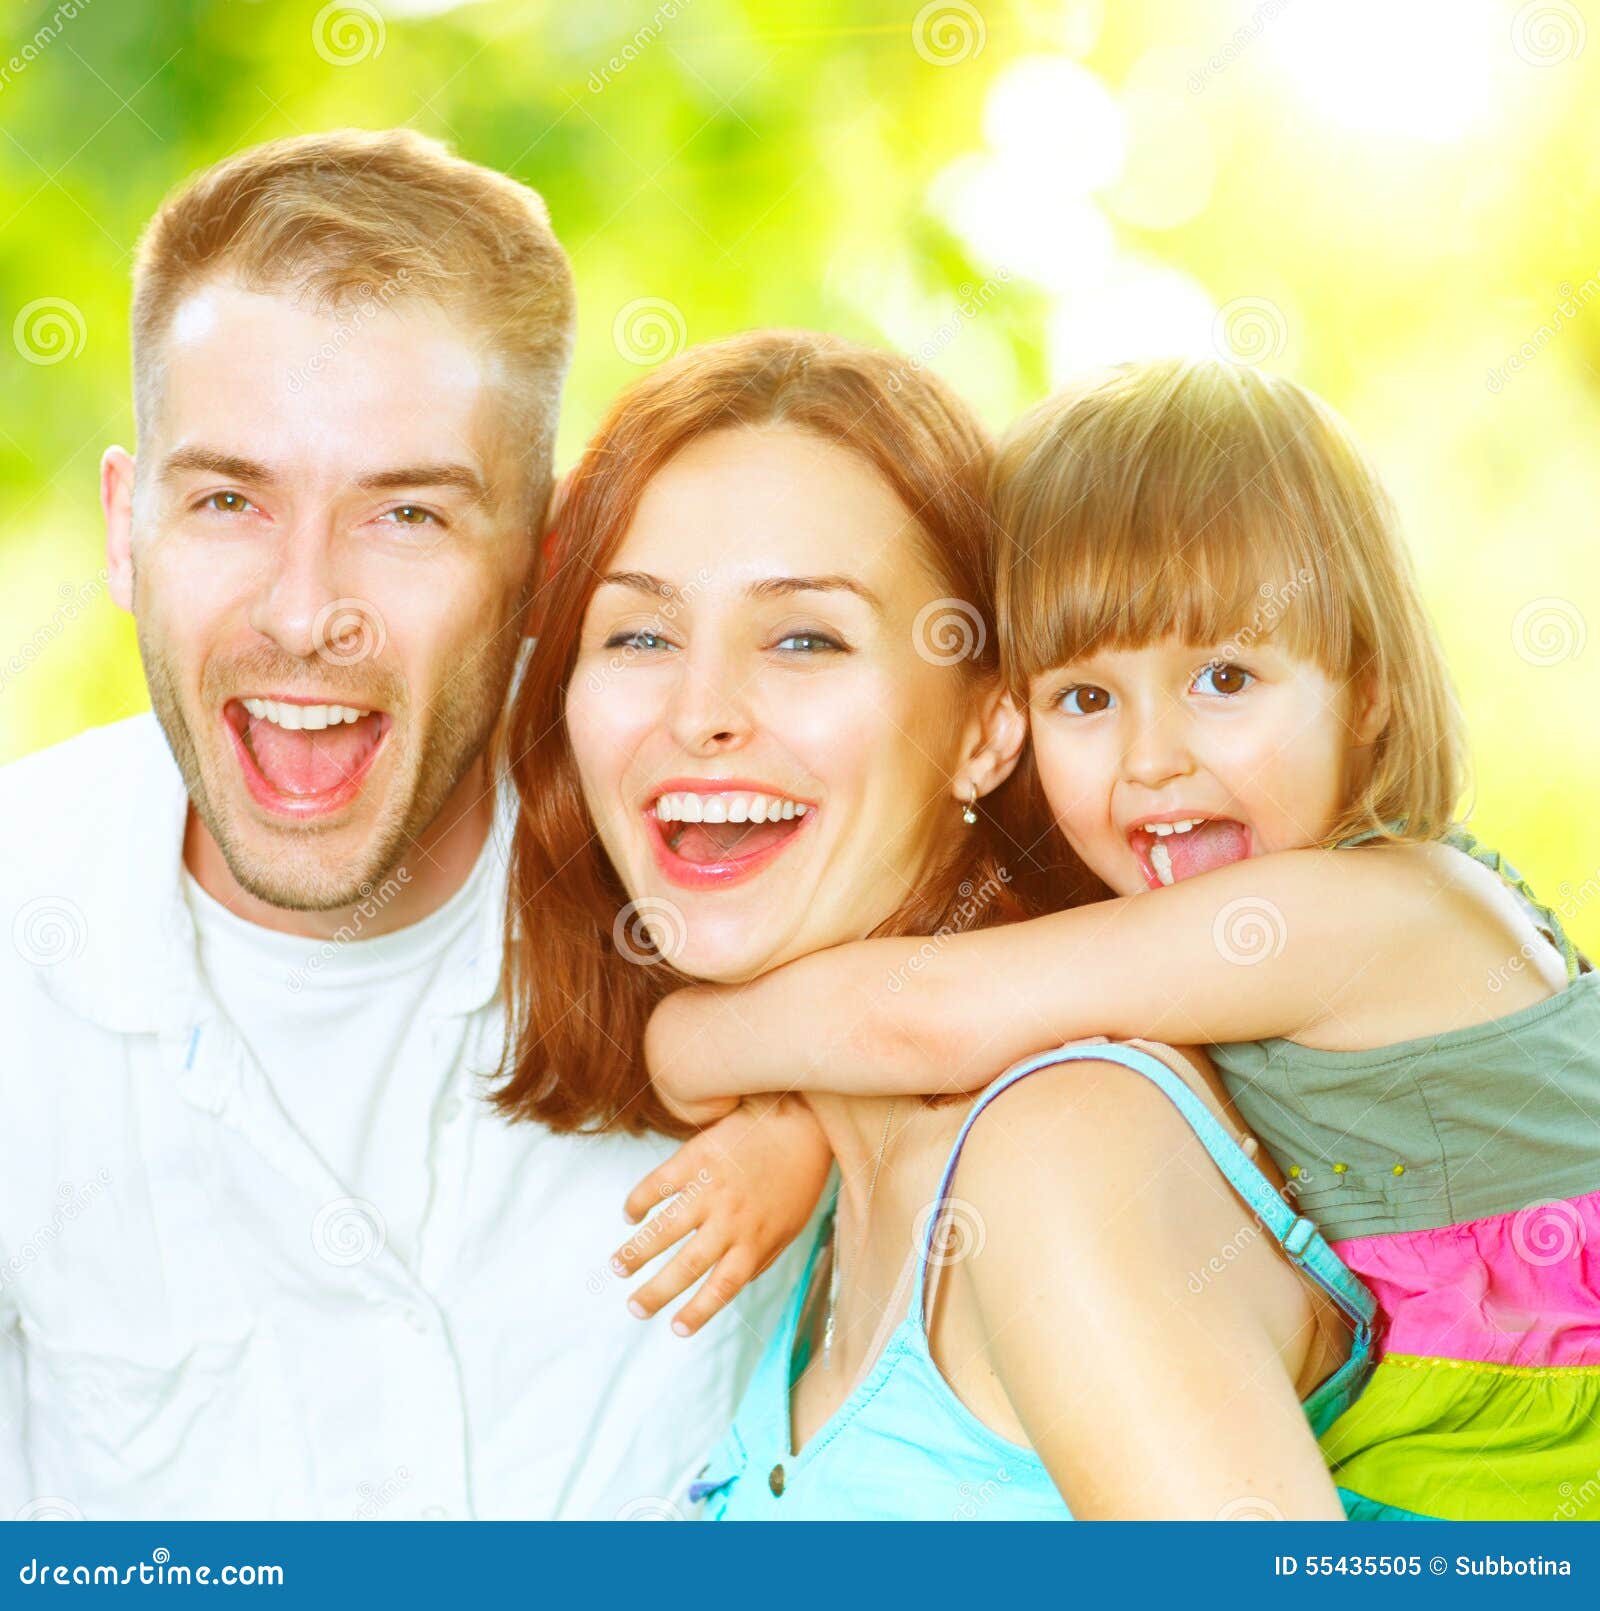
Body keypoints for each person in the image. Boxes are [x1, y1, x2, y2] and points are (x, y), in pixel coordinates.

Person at [0, 129, 824, 1521]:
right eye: (227, 500)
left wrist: (813, 1098)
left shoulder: (711, 836)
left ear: (544, 565)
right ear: (127, 527)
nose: (301, 612)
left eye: (407, 516)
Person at [643, 358, 1600, 1521]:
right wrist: (797, 1133)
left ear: (1368, 691)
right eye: (1086, 699)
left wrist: (686, 1039)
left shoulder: (1367, 914)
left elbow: (928, 1018)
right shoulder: (1214, 951)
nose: (1153, 758)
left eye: (1224, 677)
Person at [501, 330, 1375, 1520]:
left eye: (806, 638)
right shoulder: (827, 1203)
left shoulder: (1059, 1153)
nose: (699, 713)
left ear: (986, 728)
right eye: (639, 635)